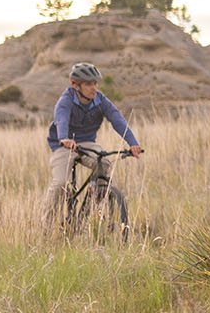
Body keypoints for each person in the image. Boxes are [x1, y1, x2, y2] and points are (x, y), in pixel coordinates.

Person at [45, 62, 143, 225]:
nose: (94, 88)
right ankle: (46, 224)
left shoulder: (100, 100)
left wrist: (133, 144)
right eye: (89, 84)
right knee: (60, 183)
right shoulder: (66, 100)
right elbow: (61, 119)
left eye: (95, 83)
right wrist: (64, 138)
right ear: (75, 85)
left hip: (87, 143)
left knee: (104, 163)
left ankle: (95, 204)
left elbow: (117, 119)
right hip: (63, 144)